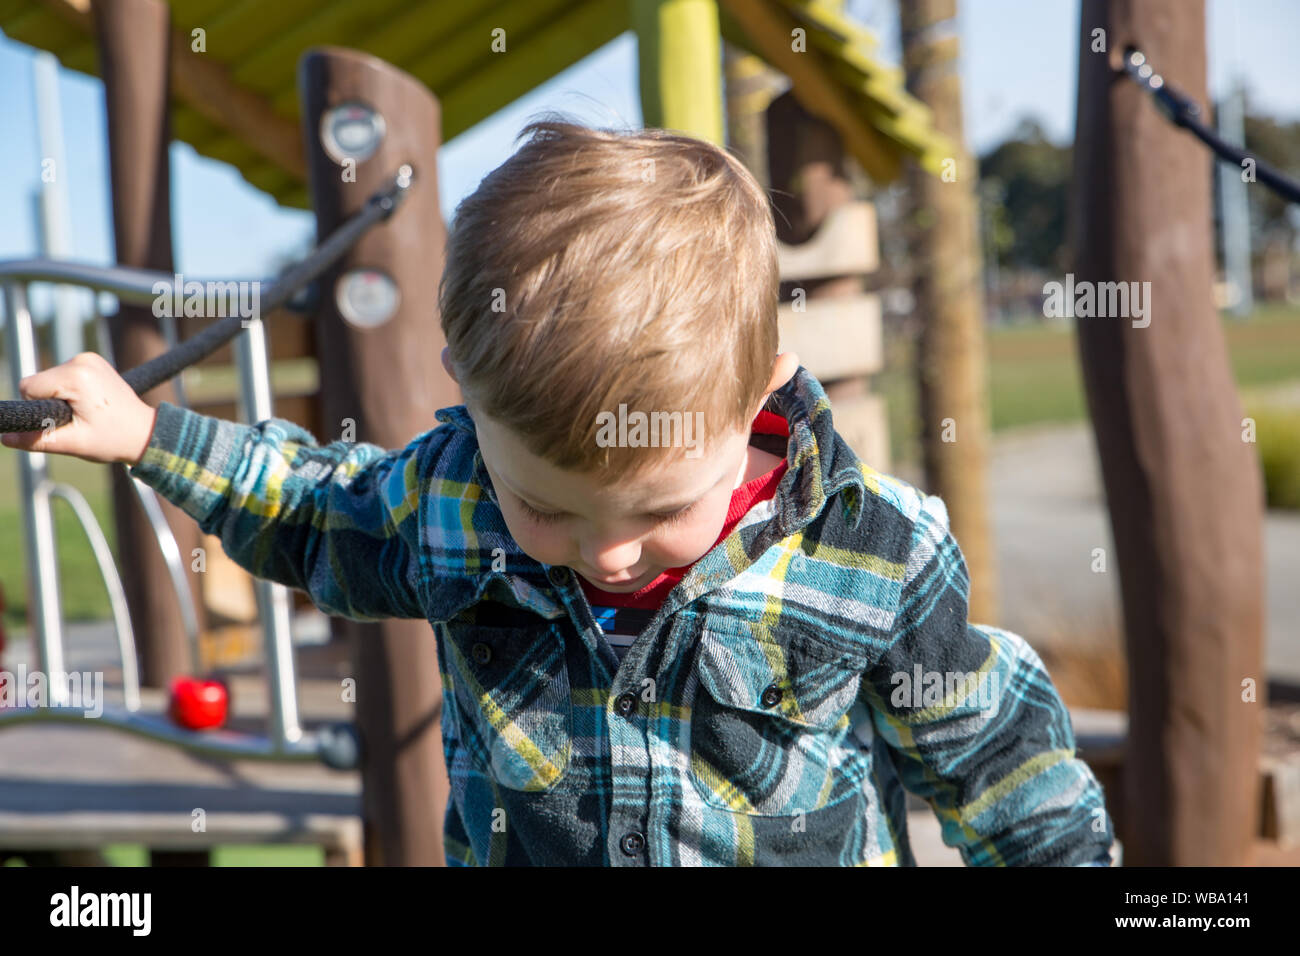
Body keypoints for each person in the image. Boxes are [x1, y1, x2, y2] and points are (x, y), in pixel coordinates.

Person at [1, 120, 1114, 866]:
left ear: (758, 396)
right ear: (468, 404)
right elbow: (310, 507)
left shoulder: (872, 553)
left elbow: (999, 767)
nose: (608, 554)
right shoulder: (456, 502)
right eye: (551, 508)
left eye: (655, 510)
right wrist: (149, 431)